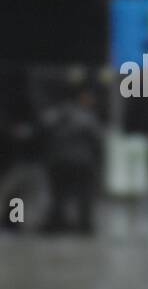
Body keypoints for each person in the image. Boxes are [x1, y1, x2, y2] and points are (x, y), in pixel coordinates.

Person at [40, 86, 102, 234]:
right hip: (81, 162)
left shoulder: (53, 114)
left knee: (59, 195)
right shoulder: (86, 117)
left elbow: (43, 133)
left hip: (59, 162)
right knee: (83, 196)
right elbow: (96, 140)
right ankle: (83, 224)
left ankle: (58, 222)